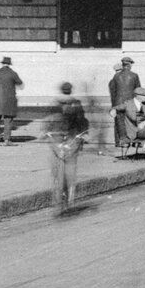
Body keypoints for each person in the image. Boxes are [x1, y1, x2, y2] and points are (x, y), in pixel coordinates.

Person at [49, 82, 89, 212]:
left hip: (57, 141)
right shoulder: (76, 103)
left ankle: (57, 201)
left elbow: (49, 123)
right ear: (70, 91)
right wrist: (83, 135)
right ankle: (70, 201)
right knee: (70, 172)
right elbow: (83, 122)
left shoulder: (55, 103)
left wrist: (48, 134)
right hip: (72, 140)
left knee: (56, 172)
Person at [0, 57, 22, 145]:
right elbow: (20, 83)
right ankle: (7, 140)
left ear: (2, 63)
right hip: (9, 100)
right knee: (8, 120)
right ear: (9, 64)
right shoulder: (13, 73)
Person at [108, 57, 138, 150]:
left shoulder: (116, 77)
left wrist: (114, 106)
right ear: (129, 65)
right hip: (130, 102)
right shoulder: (134, 75)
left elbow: (113, 92)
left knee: (120, 122)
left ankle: (123, 141)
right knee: (131, 121)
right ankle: (132, 140)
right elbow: (138, 90)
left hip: (118, 102)